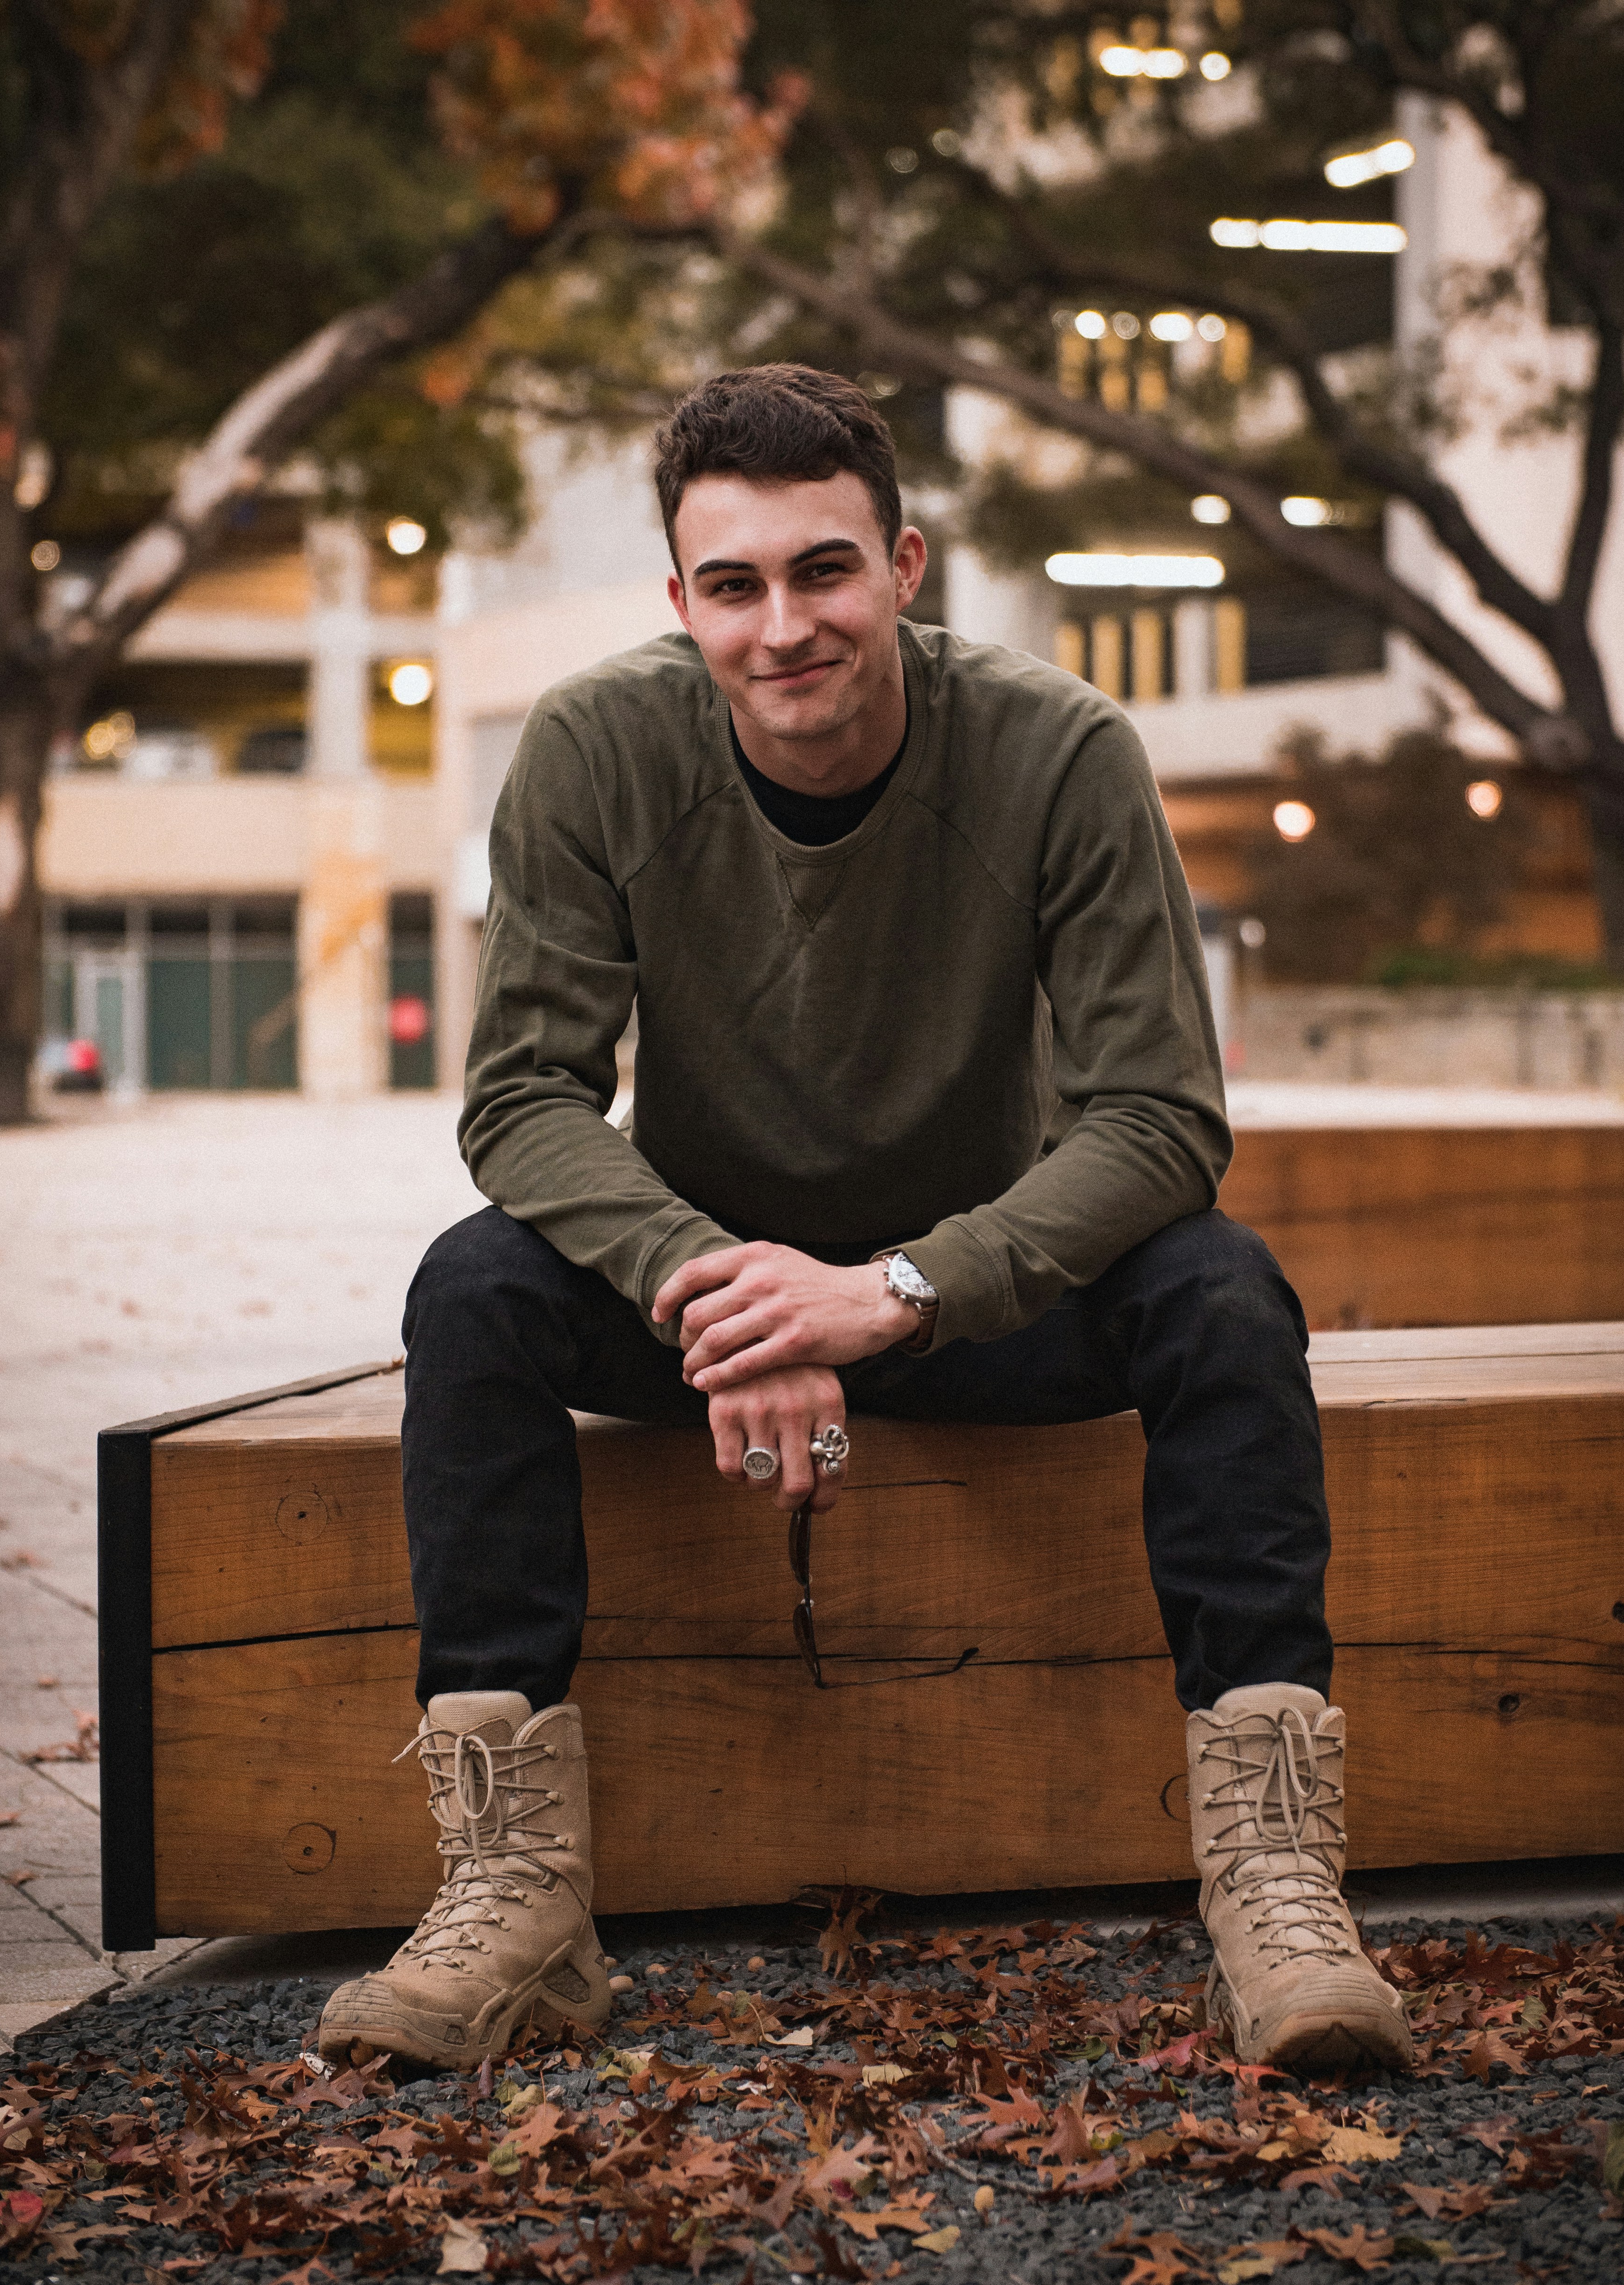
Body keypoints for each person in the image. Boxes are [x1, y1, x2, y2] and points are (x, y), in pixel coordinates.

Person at [315, 363, 1411, 2079]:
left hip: (978, 1296)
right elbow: (520, 1097)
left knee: (1220, 1289)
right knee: (473, 1290)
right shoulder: (598, 749)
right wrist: (712, 1292)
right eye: (734, 586)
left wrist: (895, 1292)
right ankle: (516, 1898)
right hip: (725, 1307)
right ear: (682, 601)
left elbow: (1162, 1117)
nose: (783, 627)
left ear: (905, 565)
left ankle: (1276, 1886)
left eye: (823, 570)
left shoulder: (1062, 751)